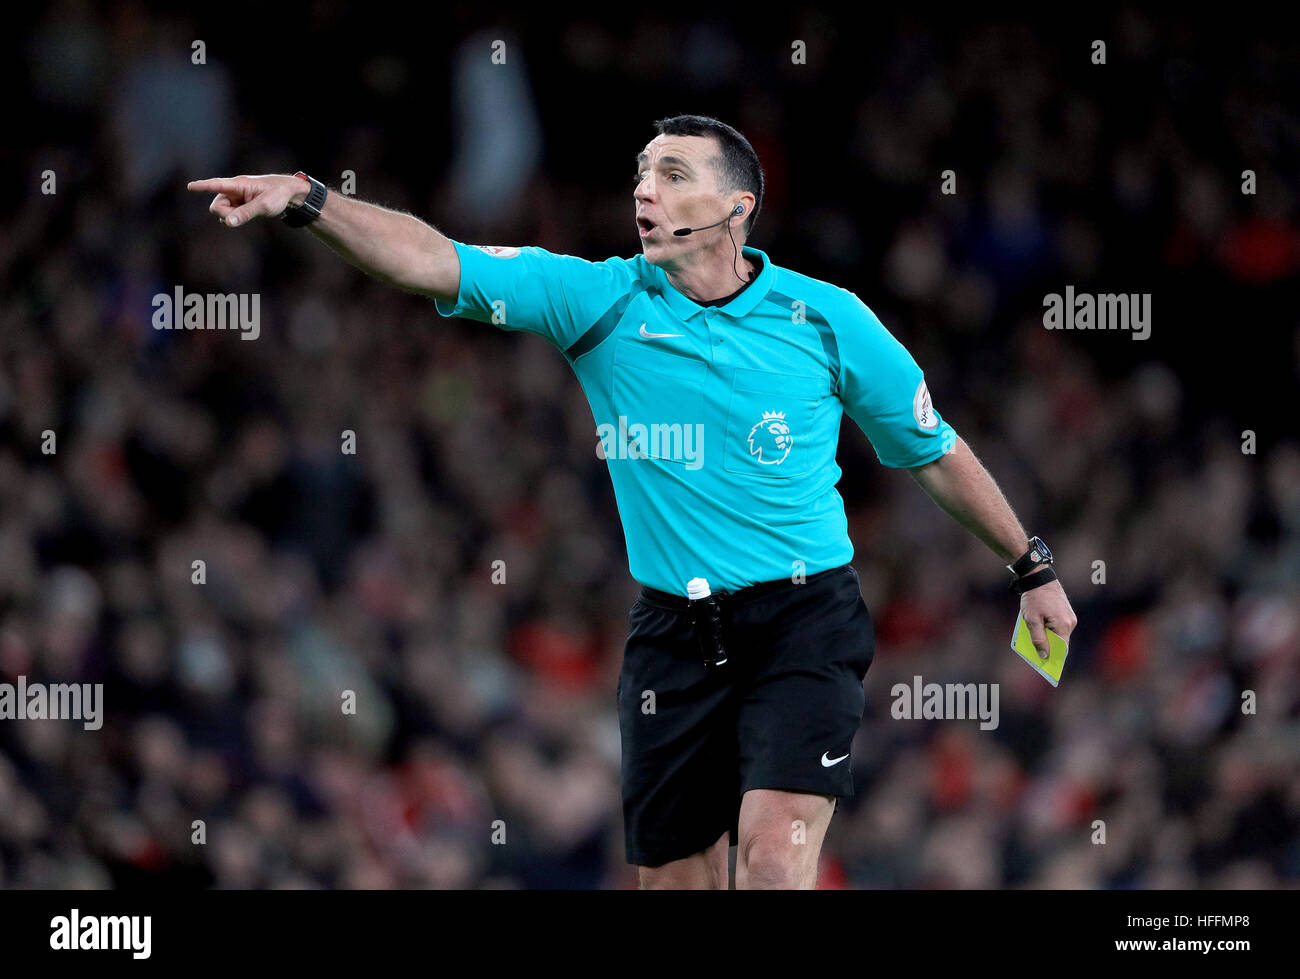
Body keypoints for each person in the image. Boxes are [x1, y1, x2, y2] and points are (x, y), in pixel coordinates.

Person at [188, 113, 1077, 890]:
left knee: (772, 860)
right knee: (676, 881)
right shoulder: (600, 300)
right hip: (672, 638)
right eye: (642, 174)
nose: (645, 191)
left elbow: (933, 448)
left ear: (738, 209)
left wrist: (1030, 566)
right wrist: (310, 200)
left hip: (805, 619)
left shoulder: (826, 318)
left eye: (673, 174)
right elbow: (434, 262)